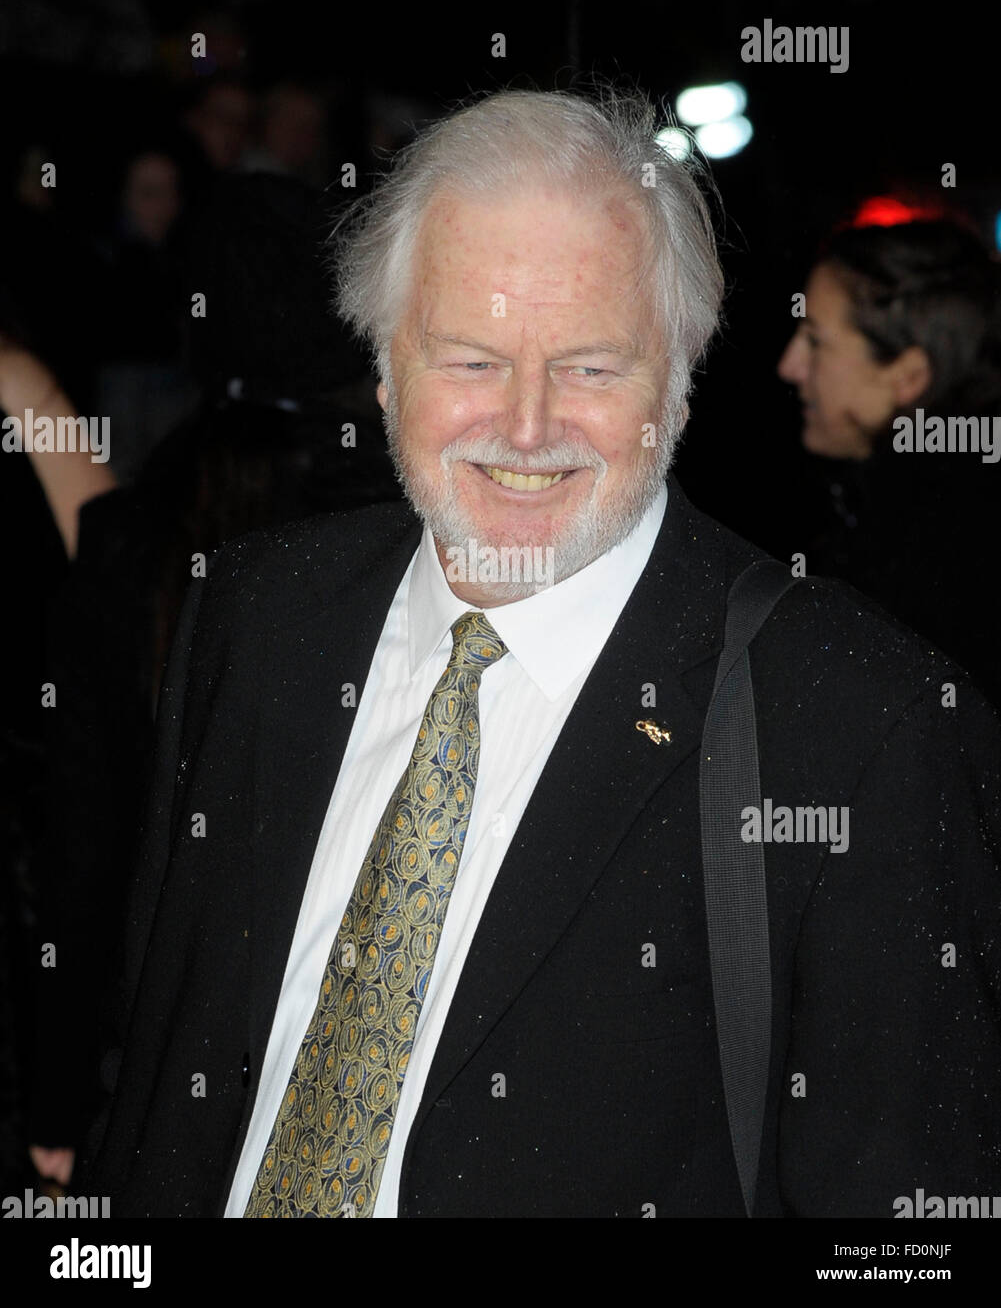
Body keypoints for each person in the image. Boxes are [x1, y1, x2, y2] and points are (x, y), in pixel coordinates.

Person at [85, 89, 1001, 1218]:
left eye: (589, 367)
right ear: (382, 367)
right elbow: (162, 1058)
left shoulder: (863, 727)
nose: (524, 427)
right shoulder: (256, 615)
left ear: (677, 380)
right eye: (470, 359)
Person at [778, 218, 1001, 706]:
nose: (790, 366)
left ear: (908, 376)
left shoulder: (934, 558)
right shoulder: (906, 499)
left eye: (817, 341)